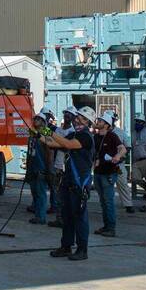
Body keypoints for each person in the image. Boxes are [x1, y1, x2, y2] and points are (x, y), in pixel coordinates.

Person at [43, 106, 95, 261]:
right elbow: (53, 143)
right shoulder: (74, 134)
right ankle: (66, 246)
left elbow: (67, 144)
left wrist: (49, 132)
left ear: (88, 122)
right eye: (77, 116)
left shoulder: (85, 137)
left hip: (80, 182)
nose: (77, 119)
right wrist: (38, 132)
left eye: (81, 117)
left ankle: (82, 249)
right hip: (69, 180)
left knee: (79, 217)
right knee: (67, 216)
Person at [92, 112, 125, 237]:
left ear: (106, 125)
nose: (98, 122)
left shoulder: (112, 136)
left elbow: (123, 149)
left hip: (109, 173)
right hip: (98, 172)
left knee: (108, 201)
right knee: (103, 201)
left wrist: (117, 156)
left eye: (100, 121)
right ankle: (106, 226)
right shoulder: (95, 137)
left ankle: (110, 227)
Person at [25, 113, 53, 224]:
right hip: (32, 166)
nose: (36, 120)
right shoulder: (31, 132)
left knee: (41, 193)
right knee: (35, 192)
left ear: (43, 121)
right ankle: (37, 214)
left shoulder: (46, 132)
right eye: (35, 118)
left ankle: (41, 217)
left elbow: (50, 151)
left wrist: (48, 169)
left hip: (41, 167)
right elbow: (29, 150)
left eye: (39, 119)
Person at [129, 115, 146, 213]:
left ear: (144, 123)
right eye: (137, 121)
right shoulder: (133, 134)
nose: (138, 123)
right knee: (135, 178)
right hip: (137, 161)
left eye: (140, 122)